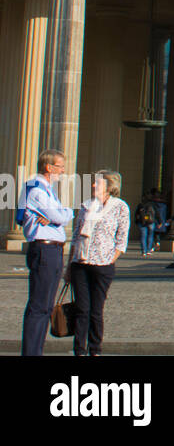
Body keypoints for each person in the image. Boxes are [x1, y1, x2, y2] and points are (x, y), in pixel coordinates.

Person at [66, 170, 130, 356]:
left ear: (109, 187)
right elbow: (76, 236)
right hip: (81, 262)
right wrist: (69, 265)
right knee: (81, 309)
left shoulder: (120, 207)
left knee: (96, 309)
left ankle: (95, 348)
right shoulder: (86, 206)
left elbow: (122, 238)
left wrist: (111, 258)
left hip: (103, 265)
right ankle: (79, 349)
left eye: (98, 183)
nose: (93, 186)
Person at [20, 149, 75, 357]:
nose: (63, 170)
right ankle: (31, 352)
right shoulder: (36, 190)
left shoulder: (48, 190)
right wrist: (58, 216)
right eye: (60, 166)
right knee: (39, 305)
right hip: (44, 248)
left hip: (53, 248)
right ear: (49, 167)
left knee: (45, 305)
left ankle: (36, 351)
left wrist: (58, 216)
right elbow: (59, 216)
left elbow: (61, 214)